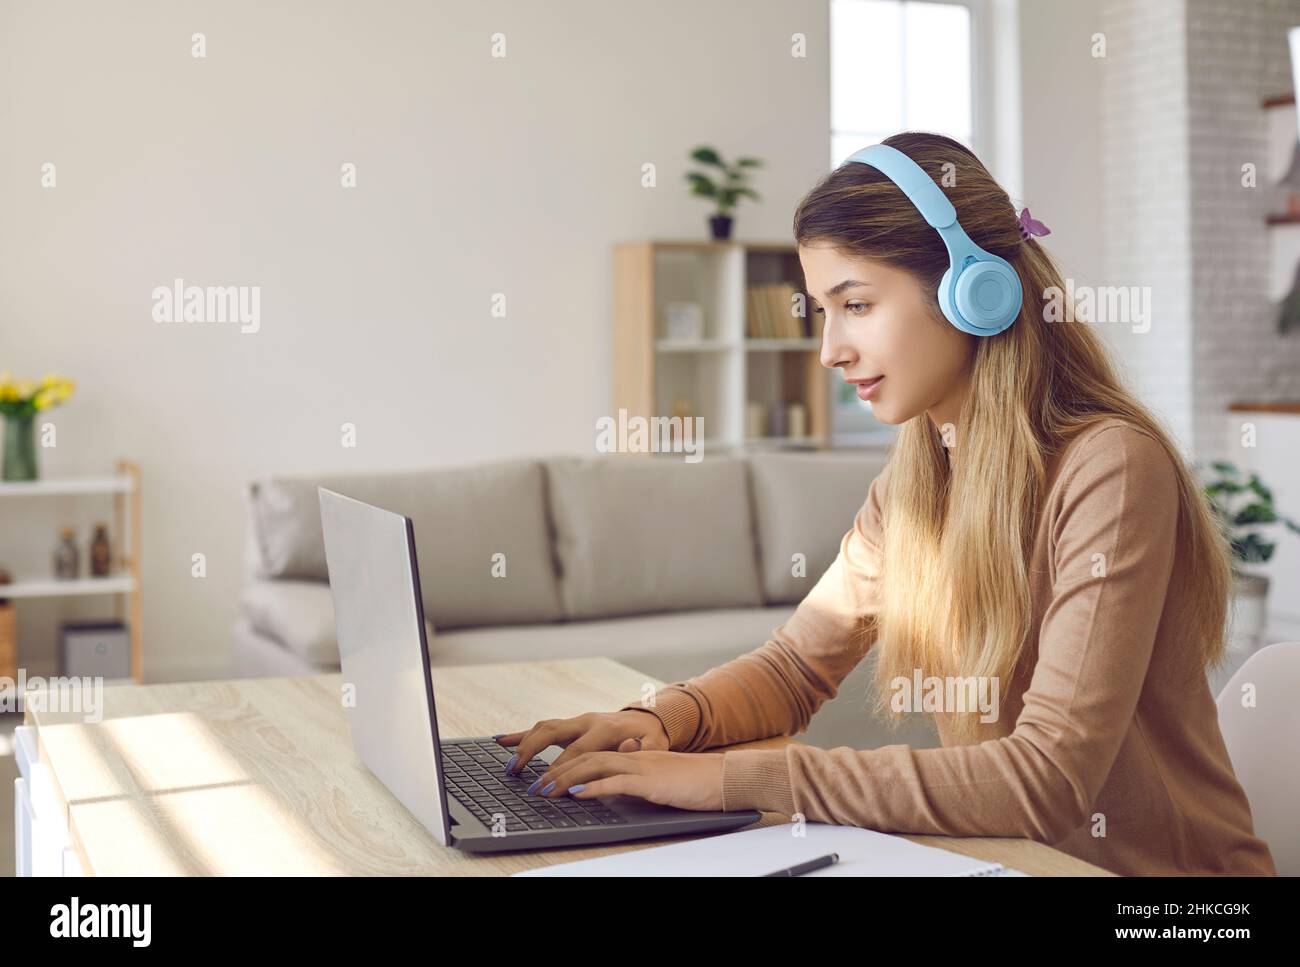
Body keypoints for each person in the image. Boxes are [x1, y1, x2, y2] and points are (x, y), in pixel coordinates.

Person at [495, 131, 1276, 876]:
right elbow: (798, 665)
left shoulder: (1110, 469)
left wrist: (739, 777)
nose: (830, 348)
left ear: (977, 293)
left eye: (856, 304)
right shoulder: (919, 477)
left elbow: (1047, 779)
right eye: (821, 311)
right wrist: (662, 721)